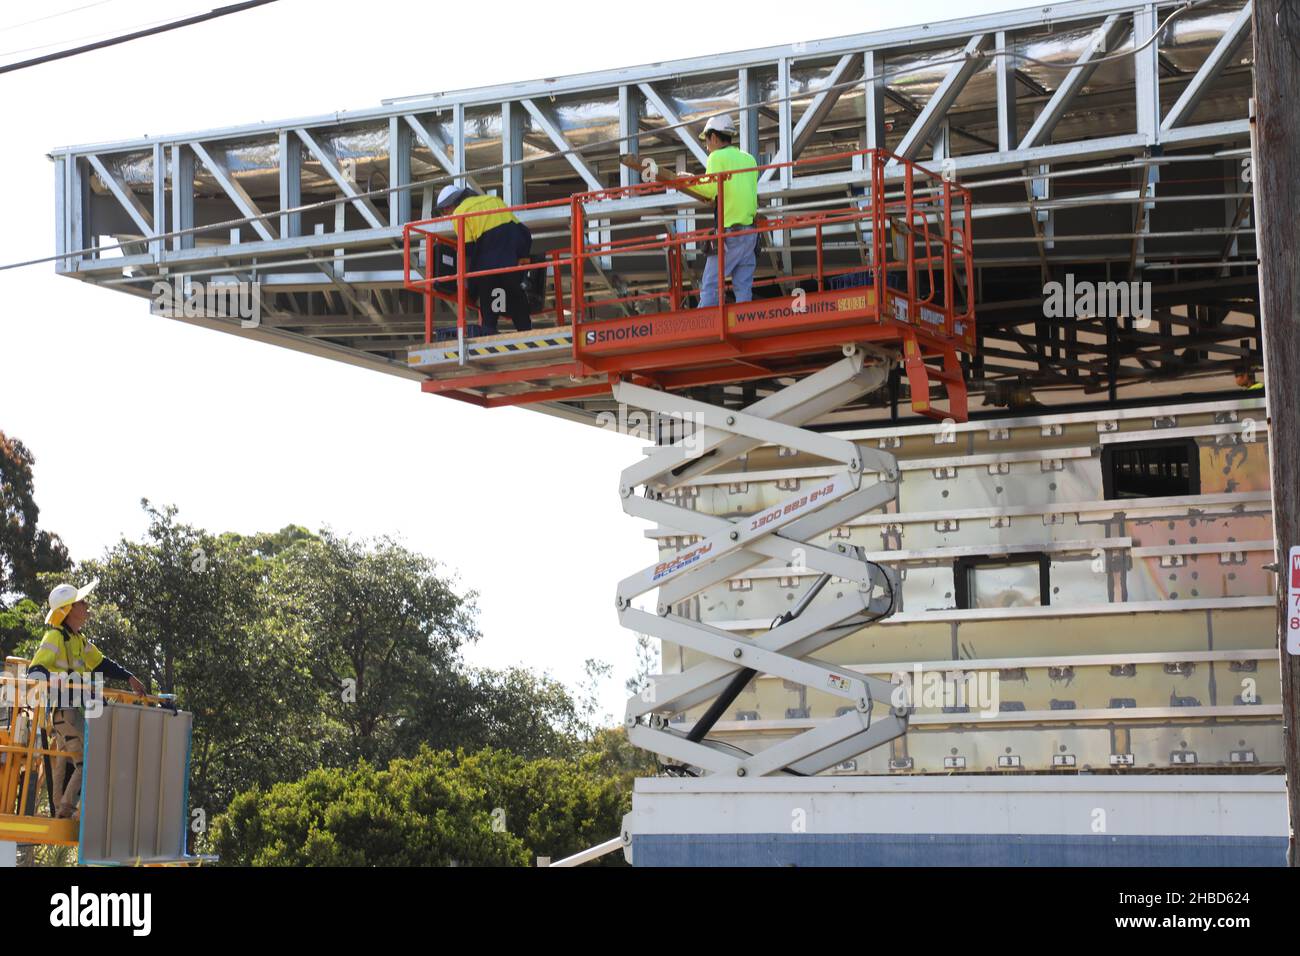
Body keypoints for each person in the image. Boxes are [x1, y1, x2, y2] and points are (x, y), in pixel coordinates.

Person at [28, 580, 145, 818]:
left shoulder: (78, 640)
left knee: (68, 760)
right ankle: (65, 811)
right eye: (81, 601)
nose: (87, 604)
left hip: (70, 711)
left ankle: (60, 808)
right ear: (68, 609)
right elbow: (35, 671)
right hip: (66, 710)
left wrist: (129, 677)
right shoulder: (55, 636)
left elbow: (101, 663)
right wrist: (67, 681)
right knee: (92, 757)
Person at [434, 184, 534, 335]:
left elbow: (468, 248)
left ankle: (489, 329)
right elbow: (522, 230)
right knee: (514, 290)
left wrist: (468, 283)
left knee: (487, 288)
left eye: (444, 210)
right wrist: (522, 255)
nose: (445, 214)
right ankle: (526, 330)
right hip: (511, 249)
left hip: (490, 249)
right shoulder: (494, 200)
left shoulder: (460, 213)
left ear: (450, 206)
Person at [691, 114, 759, 308]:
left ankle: (705, 325)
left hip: (730, 235)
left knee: (711, 284)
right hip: (750, 234)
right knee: (743, 285)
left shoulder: (716, 157)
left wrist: (688, 181)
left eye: (706, 141)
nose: (707, 146)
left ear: (714, 137)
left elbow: (709, 190)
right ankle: (745, 321)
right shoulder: (749, 159)